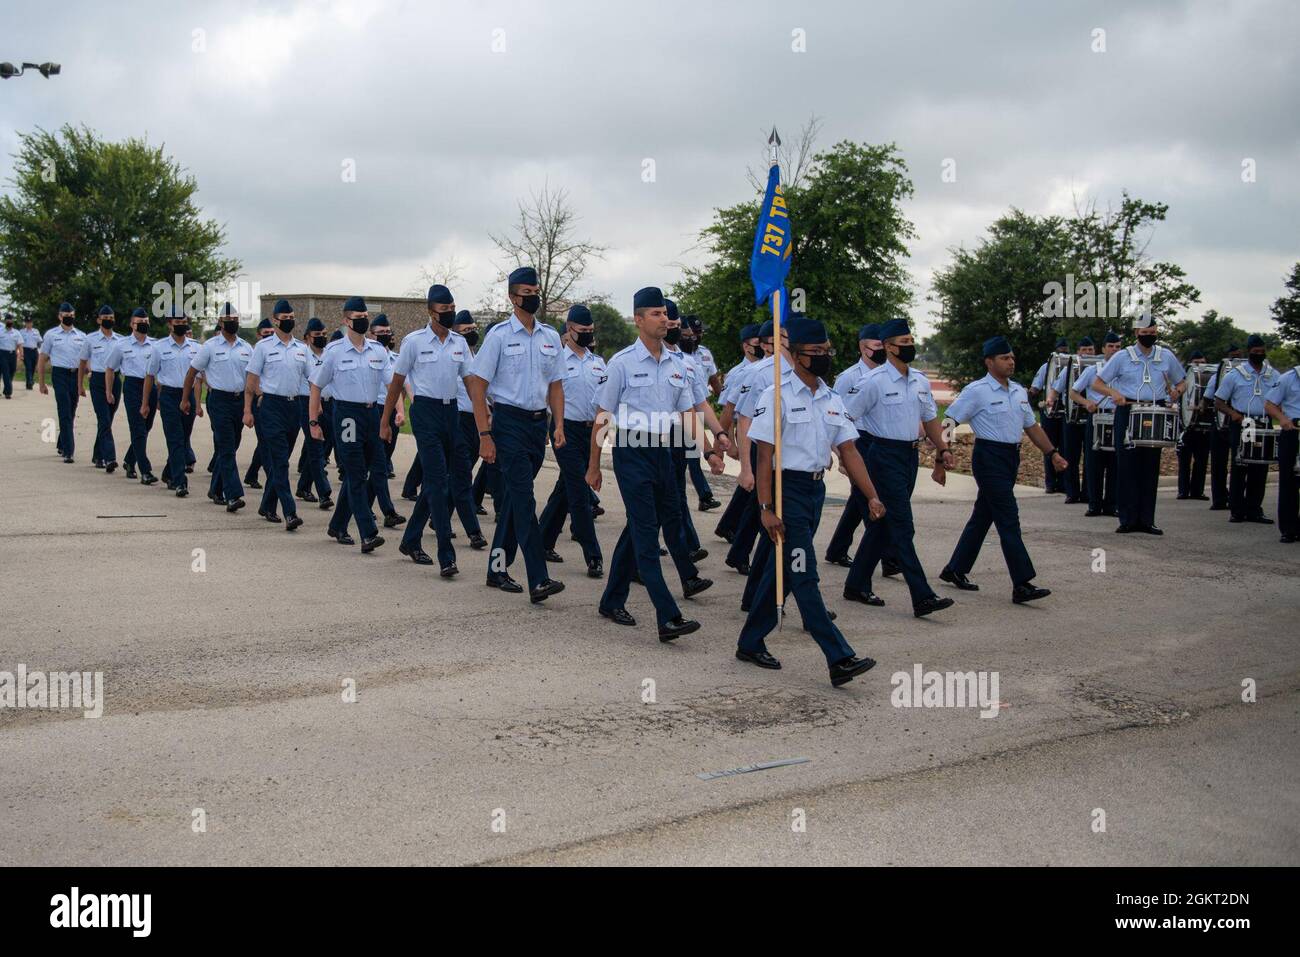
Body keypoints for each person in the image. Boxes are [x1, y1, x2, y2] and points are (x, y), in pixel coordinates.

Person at [735, 314, 882, 686]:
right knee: (803, 572)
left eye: (827, 351)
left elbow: (848, 449)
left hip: (815, 492)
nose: (824, 357)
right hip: (787, 493)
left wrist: (872, 495)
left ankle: (750, 641)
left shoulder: (829, 397)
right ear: (797, 355)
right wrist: (766, 508)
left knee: (781, 571)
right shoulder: (776, 395)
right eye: (816, 351)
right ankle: (839, 657)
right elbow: (764, 456)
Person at [587, 286, 724, 638]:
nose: (664, 319)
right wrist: (592, 465)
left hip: (665, 451)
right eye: (656, 313)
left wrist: (709, 449)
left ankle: (611, 599)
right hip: (632, 452)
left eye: (665, 313)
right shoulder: (621, 363)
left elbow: (689, 413)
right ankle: (668, 616)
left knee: (655, 524)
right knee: (647, 535)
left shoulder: (679, 365)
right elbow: (603, 415)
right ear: (638, 319)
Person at [842, 318, 956, 617]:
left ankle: (856, 585)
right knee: (903, 527)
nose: (910, 347)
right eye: (903, 344)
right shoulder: (873, 382)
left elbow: (930, 419)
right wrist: (847, 455)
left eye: (911, 342)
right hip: (881, 455)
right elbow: (846, 418)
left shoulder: (919, 380)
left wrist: (943, 449)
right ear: (889, 348)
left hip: (909, 456)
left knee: (881, 525)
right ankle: (922, 595)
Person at [937, 336, 1065, 602]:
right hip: (989, 457)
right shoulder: (977, 390)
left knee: (983, 516)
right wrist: (943, 452)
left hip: (1010, 458)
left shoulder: (1018, 391)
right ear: (989, 361)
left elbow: (1032, 427)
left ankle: (955, 569)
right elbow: (949, 419)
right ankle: (1022, 583)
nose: (1011, 362)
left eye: (1012, 357)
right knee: (1008, 517)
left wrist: (1051, 453)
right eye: (1005, 358)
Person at [467, 266, 565, 603]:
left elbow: (555, 384)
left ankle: (496, 568)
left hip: (537, 427)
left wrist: (559, 425)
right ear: (512, 297)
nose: (532, 296)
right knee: (524, 499)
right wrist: (484, 434)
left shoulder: (551, 336)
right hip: (507, 423)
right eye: (526, 291)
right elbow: (478, 386)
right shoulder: (498, 336)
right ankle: (539, 578)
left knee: (512, 501)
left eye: (535, 289)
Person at [381, 285, 470, 576]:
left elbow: (472, 383)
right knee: (437, 482)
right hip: (425, 413)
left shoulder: (459, 343)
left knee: (442, 480)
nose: (450, 314)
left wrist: (486, 415)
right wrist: (385, 420)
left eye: (452, 309)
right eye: (444, 311)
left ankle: (410, 539)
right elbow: (396, 382)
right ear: (431, 312)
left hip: (451, 413)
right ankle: (447, 555)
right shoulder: (414, 341)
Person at [308, 296, 389, 553]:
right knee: (354, 472)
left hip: (371, 415)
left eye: (365, 316)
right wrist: (313, 421)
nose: (363, 320)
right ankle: (367, 532)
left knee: (373, 470)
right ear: (346, 321)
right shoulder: (335, 351)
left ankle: (338, 525)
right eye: (357, 317)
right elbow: (316, 386)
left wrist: (401, 406)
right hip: (347, 416)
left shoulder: (378, 350)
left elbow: (392, 381)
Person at [1091, 317, 1186, 534]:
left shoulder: (1165, 356)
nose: (1149, 335)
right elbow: (1097, 383)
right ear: (1136, 332)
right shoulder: (1122, 356)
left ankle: (1146, 520)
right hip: (1129, 410)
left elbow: (1182, 380)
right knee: (1127, 467)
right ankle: (1127, 519)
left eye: (1153, 331)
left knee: (1150, 467)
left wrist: (1177, 392)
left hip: (1155, 411)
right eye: (1145, 331)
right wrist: (1114, 393)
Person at [825, 322, 899, 577]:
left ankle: (837, 548)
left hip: (878, 442)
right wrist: (839, 453)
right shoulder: (848, 377)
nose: (881, 350)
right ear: (863, 346)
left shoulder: (888, 374)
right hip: (857, 441)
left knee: (860, 499)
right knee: (871, 501)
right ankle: (890, 556)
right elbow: (837, 417)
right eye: (876, 346)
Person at [538, 304, 606, 577]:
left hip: (594, 431)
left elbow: (606, 403)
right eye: (582, 331)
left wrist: (604, 433)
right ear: (569, 330)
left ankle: (542, 540)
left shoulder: (598, 363)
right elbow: (547, 398)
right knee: (580, 491)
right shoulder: (557, 361)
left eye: (591, 331)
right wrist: (551, 427)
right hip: (565, 430)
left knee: (565, 488)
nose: (587, 335)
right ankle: (593, 555)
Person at [244, 300, 308, 531]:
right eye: (285, 316)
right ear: (275, 320)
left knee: (283, 460)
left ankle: (267, 505)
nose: (289, 319)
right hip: (270, 406)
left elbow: (312, 379)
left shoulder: (302, 348)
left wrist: (317, 406)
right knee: (280, 462)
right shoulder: (263, 347)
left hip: (294, 407)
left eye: (291, 315)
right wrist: (248, 410)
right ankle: (290, 513)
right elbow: (251, 380)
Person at [186, 303, 253, 513]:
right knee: (226, 447)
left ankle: (215, 488)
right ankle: (232, 495)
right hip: (219, 401)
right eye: (229, 320)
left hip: (239, 400)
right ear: (220, 322)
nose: (233, 323)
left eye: (236, 319)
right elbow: (192, 372)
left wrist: (253, 403)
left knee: (232, 446)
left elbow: (253, 377)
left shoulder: (246, 347)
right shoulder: (210, 347)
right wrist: (185, 398)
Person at [1214, 334, 1279, 525]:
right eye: (1255, 352)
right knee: (1240, 466)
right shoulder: (1235, 374)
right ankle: (1237, 510)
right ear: (1249, 352)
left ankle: (1254, 509)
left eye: (1262, 351)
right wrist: (1232, 413)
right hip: (1242, 422)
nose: (1259, 354)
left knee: (1260, 468)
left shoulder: (1273, 374)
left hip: (1264, 422)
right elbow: (1218, 402)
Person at [712, 323, 764, 543]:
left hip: (763, 435)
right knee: (753, 484)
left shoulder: (770, 369)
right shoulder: (738, 374)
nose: (762, 347)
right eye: (757, 344)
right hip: (748, 435)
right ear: (746, 346)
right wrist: (725, 445)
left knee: (752, 488)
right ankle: (735, 531)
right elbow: (728, 412)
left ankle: (729, 525)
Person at [142, 308, 201, 496]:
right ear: (169, 324)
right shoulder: (159, 347)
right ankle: (179, 481)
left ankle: (169, 472)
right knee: (174, 438)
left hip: (188, 396)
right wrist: (145, 403)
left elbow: (199, 378)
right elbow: (150, 376)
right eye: (177, 322)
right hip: (168, 395)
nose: (181, 325)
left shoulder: (195, 347)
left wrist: (198, 402)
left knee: (183, 439)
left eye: (184, 321)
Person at [1067, 330, 1121, 516]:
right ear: (1103, 349)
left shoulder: (1125, 370)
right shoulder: (1093, 370)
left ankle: (1111, 505)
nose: (1114, 350)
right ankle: (1094, 504)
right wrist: (1086, 402)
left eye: (1118, 347)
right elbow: (1073, 392)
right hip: (1097, 417)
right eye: (1111, 346)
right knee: (1093, 461)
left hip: (1117, 417)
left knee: (1115, 462)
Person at [104, 309, 159, 485]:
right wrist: (109, 390)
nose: (143, 324)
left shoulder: (155, 345)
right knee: (138, 429)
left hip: (151, 387)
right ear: (131, 324)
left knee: (147, 426)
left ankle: (129, 460)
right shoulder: (121, 345)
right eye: (139, 321)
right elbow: (110, 368)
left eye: (146, 321)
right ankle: (145, 470)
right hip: (132, 386)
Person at [1046, 336, 1095, 504]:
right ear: (1078, 352)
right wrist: (1050, 401)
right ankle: (1072, 492)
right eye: (1084, 350)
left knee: (1091, 457)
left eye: (1090, 350)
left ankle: (1088, 493)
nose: (1088, 353)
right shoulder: (1069, 369)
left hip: (1091, 417)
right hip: (1072, 418)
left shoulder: (1100, 368)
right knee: (1070, 456)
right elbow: (1056, 388)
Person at [682, 315, 722, 511]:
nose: (695, 337)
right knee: (690, 459)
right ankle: (704, 495)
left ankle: (704, 496)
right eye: (690, 334)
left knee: (694, 457)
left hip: (698, 408)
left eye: (697, 333)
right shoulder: (677, 358)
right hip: (675, 419)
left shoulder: (704, 354)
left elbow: (714, 380)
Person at [80, 305, 126, 471]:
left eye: (111, 318)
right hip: (98, 381)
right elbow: (83, 362)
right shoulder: (90, 339)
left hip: (115, 381)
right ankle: (110, 458)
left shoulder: (121, 340)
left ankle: (98, 455)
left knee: (108, 419)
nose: (108, 320)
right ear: (99, 320)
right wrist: (80, 385)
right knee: (104, 419)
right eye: (105, 318)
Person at [37, 302, 86, 462]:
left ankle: (61, 442)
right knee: (64, 409)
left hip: (75, 375)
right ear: (59, 316)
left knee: (71, 411)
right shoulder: (51, 335)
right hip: (59, 375)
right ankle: (69, 451)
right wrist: (42, 383)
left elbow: (86, 360)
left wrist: (86, 376)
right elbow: (43, 358)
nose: (69, 318)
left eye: (71, 315)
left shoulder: (81, 336)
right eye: (66, 316)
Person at [295, 318, 334, 510]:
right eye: (317, 335)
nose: (321, 338)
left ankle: (303, 486)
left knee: (323, 447)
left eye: (324, 334)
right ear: (307, 338)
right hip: (307, 404)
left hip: (329, 404)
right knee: (316, 447)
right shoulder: (301, 354)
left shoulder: (330, 354)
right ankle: (324, 493)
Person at [1264, 365, 1300, 542]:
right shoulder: (1288, 378)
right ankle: (1289, 529)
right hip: (1293, 431)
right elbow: (1270, 404)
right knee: (1289, 481)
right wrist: (1283, 419)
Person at [1206, 343, 1242, 511]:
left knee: (1238, 462)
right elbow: (1208, 398)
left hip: (1237, 422)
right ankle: (1219, 498)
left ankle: (1236, 498)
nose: (1235, 360)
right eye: (1233, 357)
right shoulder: (1218, 376)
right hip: (1220, 422)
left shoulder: (1243, 376)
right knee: (1218, 464)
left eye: (1238, 357)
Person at [1030, 337, 1069, 493]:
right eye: (1061, 351)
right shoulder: (1046, 367)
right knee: (1049, 447)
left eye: (1065, 351)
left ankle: (1063, 483)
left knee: (1065, 449)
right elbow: (1036, 388)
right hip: (1049, 412)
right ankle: (1051, 483)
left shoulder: (1072, 367)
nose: (1063, 354)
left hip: (1065, 412)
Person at [243, 317, 276, 489]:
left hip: (270, 400)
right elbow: (251, 378)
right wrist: (259, 394)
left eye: (272, 333)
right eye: (266, 334)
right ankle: (273, 475)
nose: (269, 336)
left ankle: (251, 474)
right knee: (264, 440)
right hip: (259, 399)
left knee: (265, 440)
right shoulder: (257, 350)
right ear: (258, 335)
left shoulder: (274, 350)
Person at [1176, 349, 1212, 500]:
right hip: (1185, 425)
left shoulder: (1209, 380)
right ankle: (1183, 491)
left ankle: (1198, 491)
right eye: (1197, 363)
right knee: (1184, 460)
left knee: (1202, 460)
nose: (1200, 366)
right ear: (1191, 364)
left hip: (1203, 426)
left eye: (1203, 363)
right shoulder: (1183, 379)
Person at [19, 315, 42, 390]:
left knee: (32, 368)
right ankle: (30, 381)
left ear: (32, 323)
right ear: (25, 323)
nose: (29, 324)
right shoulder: (21, 332)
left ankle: (29, 382)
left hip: (34, 351)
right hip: (26, 351)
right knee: (28, 367)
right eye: (27, 322)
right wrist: (21, 353)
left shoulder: (36, 331)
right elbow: (19, 343)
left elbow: (40, 341)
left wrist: (40, 351)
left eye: (30, 322)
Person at [0, 314, 20, 398]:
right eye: (8, 320)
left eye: (10, 320)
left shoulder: (16, 332)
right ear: (5, 321)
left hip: (13, 354)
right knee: (6, 372)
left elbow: (20, 344)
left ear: (12, 321)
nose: (9, 321)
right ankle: (8, 392)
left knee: (12, 371)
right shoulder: (1, 331)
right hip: (2, 353)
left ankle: (6, 389)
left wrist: (21, 354)